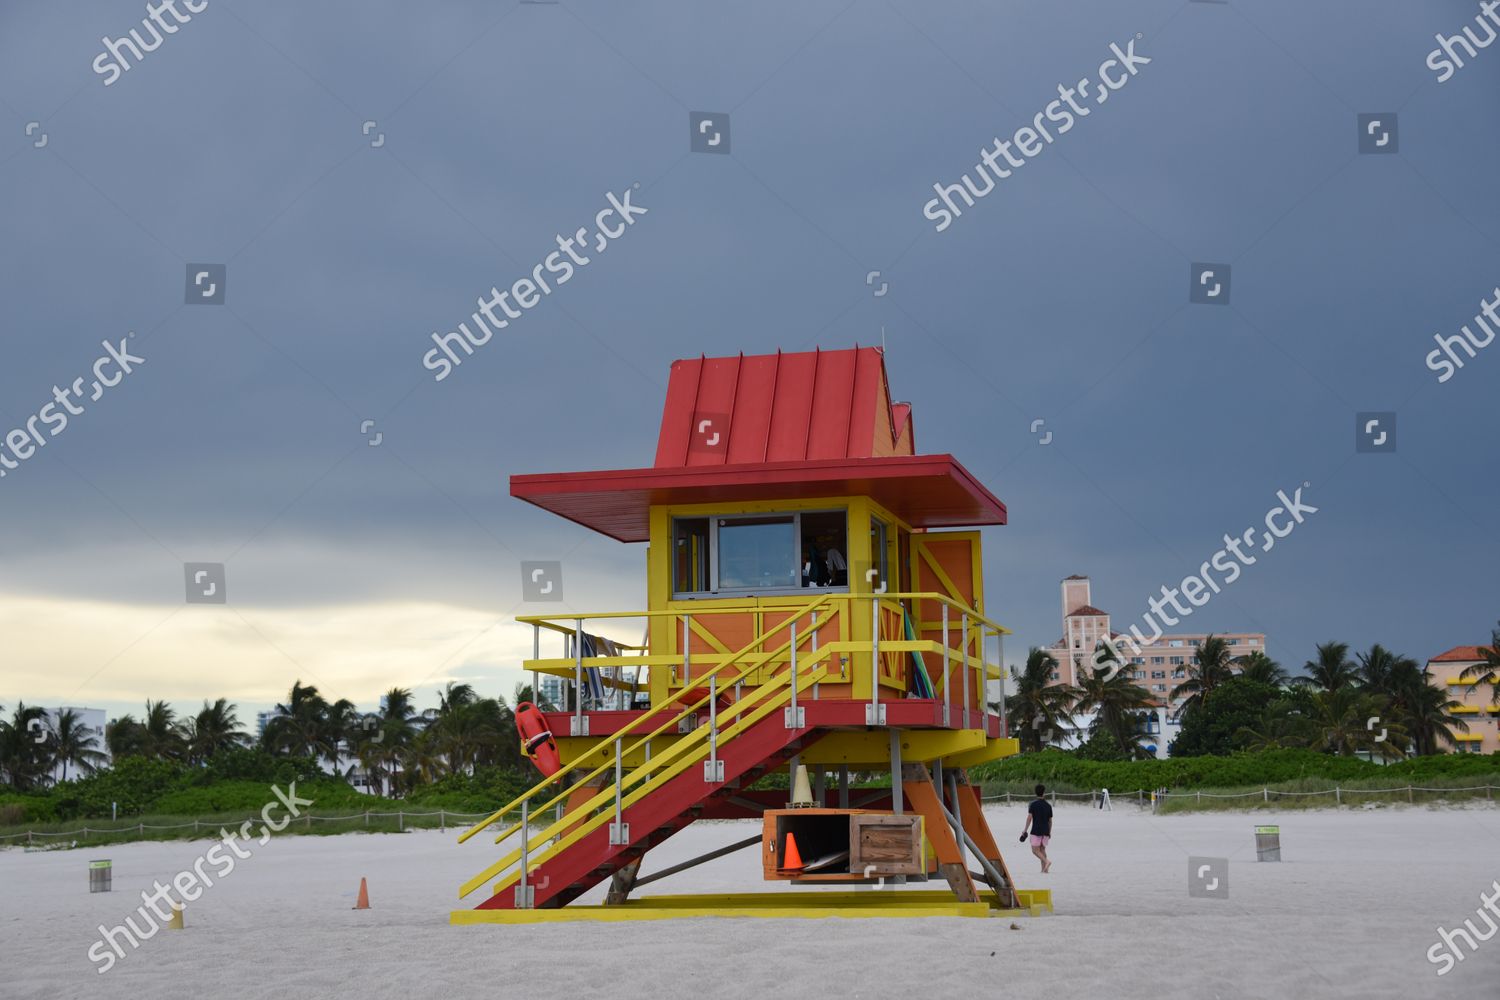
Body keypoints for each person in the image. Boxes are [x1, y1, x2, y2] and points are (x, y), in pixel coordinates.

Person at [1020, 783, 1053, 873]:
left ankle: (1047, 861)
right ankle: (1044, 870)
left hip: (1036, 830)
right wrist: (1049, 832)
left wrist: (1025, 830)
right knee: (1042, 850)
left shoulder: (1033, 804)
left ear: (1035, 793)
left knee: (1035, 850)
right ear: (1044, 792)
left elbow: (1029, 818)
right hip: (1046, 831)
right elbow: (1050, 821)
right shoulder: (1048, 805)